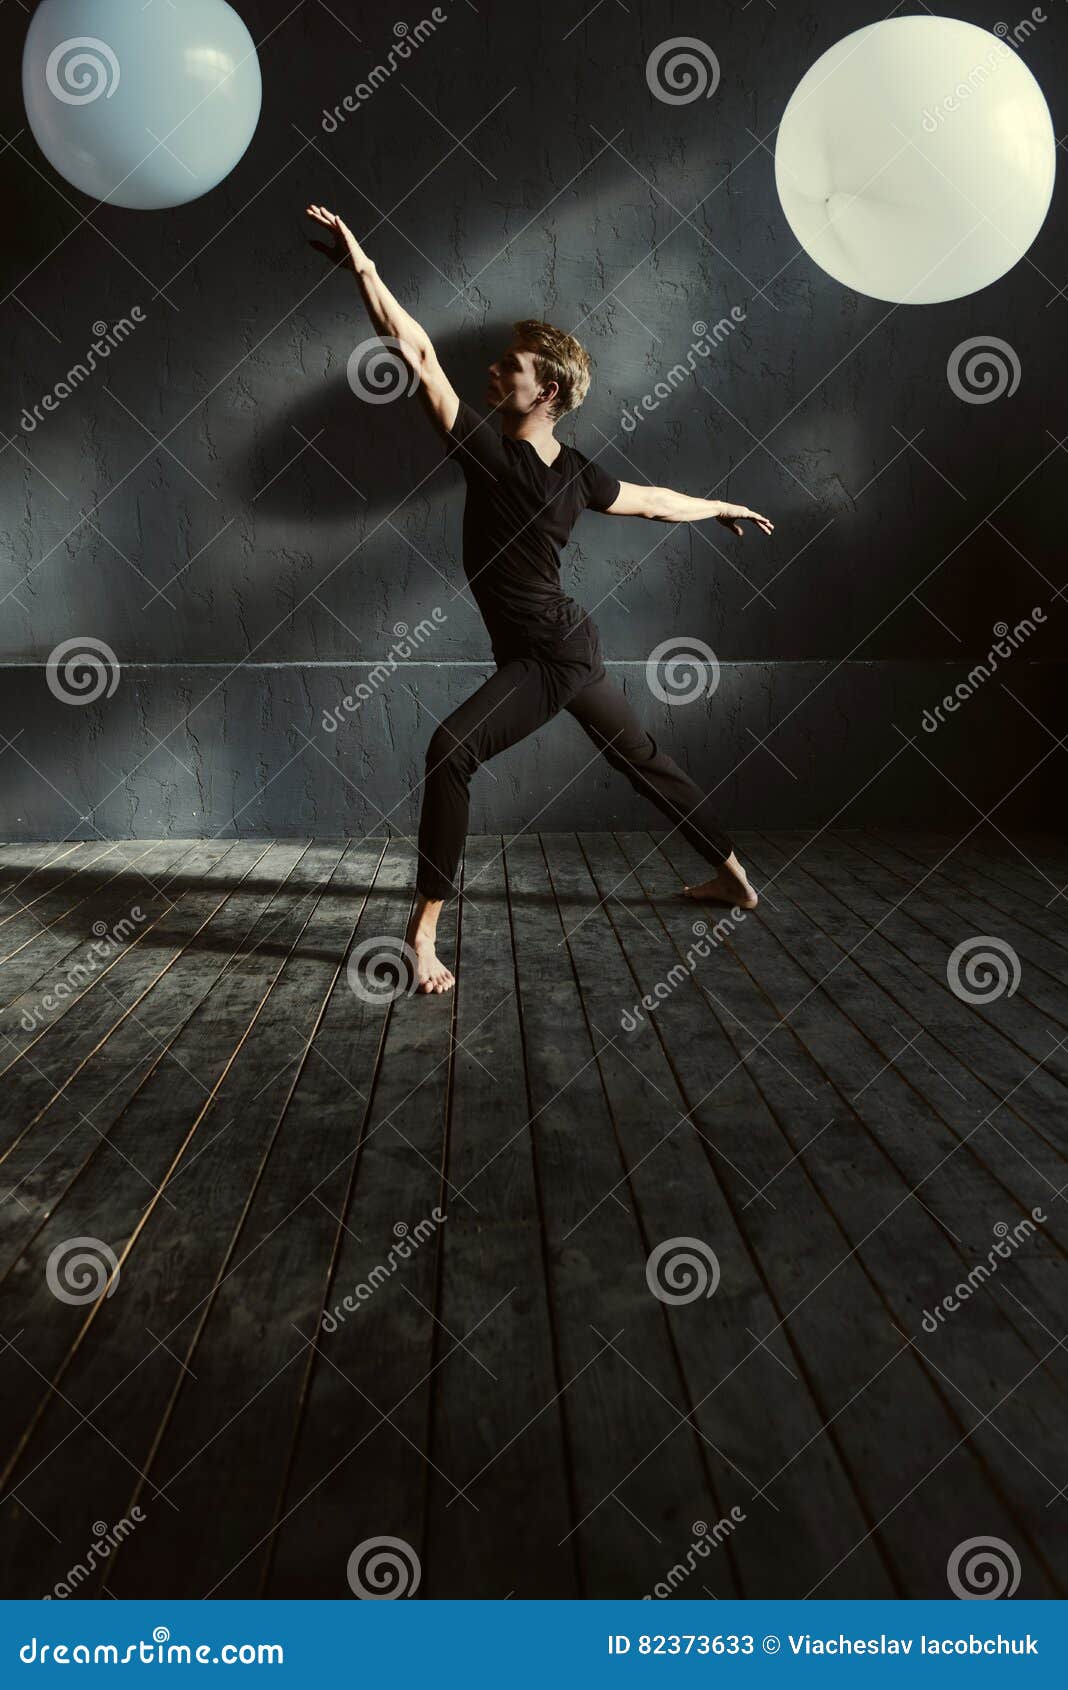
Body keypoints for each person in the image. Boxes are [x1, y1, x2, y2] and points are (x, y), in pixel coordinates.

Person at [306, 205, 775, 995]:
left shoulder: (493, 458)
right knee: (644, 763)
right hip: (569, 645)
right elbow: (655, 499)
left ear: (546, 388)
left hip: (547, 652)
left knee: (450, 751)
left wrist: (365, 268)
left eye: (509, 368)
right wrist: (719, 505)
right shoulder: (577, 470)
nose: (494, 373)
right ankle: (735, 878)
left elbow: (414, 352)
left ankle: (421, 937)